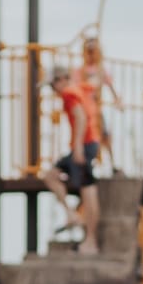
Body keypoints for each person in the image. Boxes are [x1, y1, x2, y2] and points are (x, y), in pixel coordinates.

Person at [42, 69, 101, 253]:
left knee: (88, 190)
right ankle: (71, 214)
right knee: (51, 175)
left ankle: (91, 241)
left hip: (85, 144)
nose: (53, 91)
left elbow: (80, 117)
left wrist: (77, 147)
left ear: (61, 80)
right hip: (90, 143)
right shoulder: (80, 88)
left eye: (53, 86)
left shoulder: (68, 94)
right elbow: (95, 81)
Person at [72, 34, 120, 171]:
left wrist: (117, 100)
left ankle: (112, 162)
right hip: (83, 109)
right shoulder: (79, 71)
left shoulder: (100, 70)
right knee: (86, 137)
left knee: (104, 134)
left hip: (96, 109)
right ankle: (86, 162)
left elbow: (111, 87)